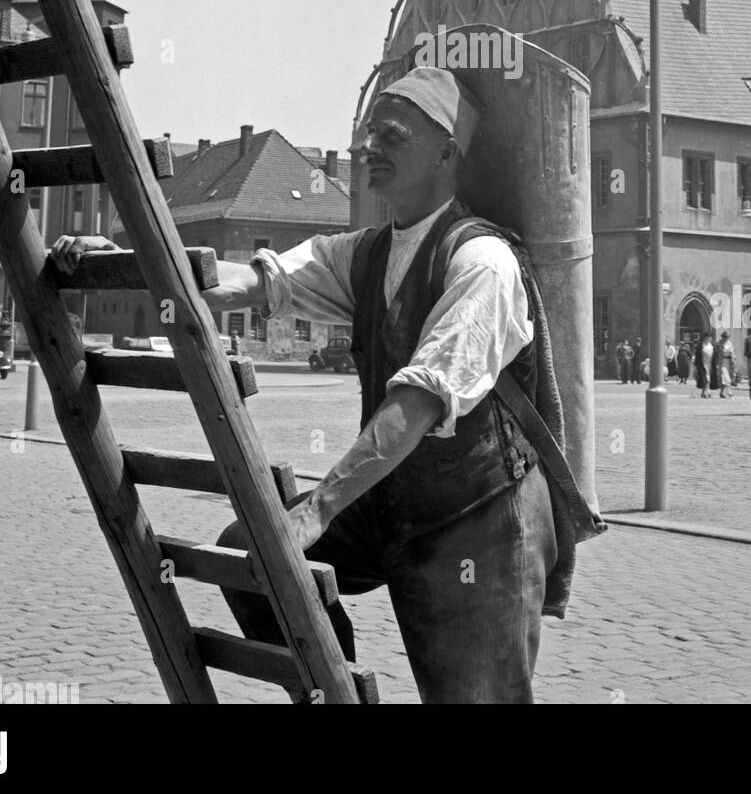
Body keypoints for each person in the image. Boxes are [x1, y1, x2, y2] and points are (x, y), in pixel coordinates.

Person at [51, 67, 592, 704]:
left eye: (392, 136)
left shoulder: (482, 262)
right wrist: (124, 258)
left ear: (447, 154)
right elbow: (237, 282)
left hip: (480, 520)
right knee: (254, 556)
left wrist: (317, 510)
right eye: (368, 134)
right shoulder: (365, 253)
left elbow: (417, 403)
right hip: (395, 503)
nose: (368, 148)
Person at [694, 332, 716, 399]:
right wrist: (696, 365)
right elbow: (697, 356)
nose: (710, 339)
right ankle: (706, 392)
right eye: (709, 337)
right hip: (702, 364)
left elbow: (715, 355)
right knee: (705, 378)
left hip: (710, 364)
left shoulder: (712, 345)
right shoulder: (700, 345)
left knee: (708, 378)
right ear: (705, 338)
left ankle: (705, 392)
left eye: (710, 337)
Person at [716, 331, 736, 398]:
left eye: (727, 337)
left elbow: (732, 352)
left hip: (729, 361)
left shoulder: (730, 343)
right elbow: (716, 354)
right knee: (725, 376)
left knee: (725, 378)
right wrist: (716, 363)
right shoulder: (719, 343)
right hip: (721, 361)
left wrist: (733, 361)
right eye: (725, 337)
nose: (726, 338)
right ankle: (729, 392)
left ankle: (721, 392)